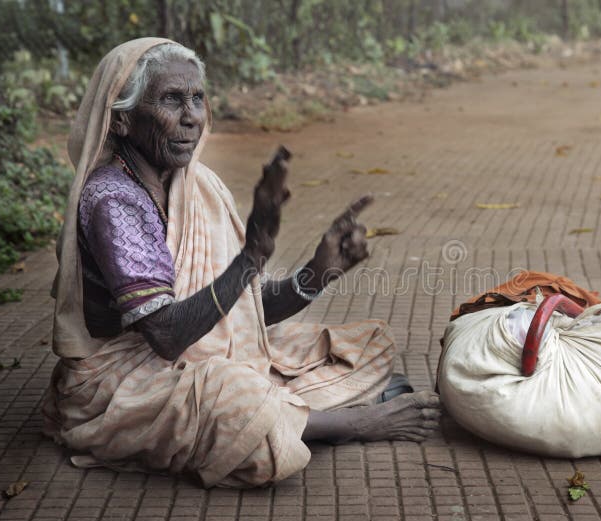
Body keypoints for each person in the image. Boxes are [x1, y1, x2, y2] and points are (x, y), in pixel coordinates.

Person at [44, 37, 440, 488]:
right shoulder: (114, 202)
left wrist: (317, 274)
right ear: (121, 120)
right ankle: (351, 423)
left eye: (197, 98)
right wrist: (250, 257)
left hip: (194, 360)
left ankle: (293, 412)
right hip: (119, 383)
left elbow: (236, 311)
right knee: (235, 398)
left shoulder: (194, 185)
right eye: (172, 99)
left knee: (367, 345)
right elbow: (168, 337)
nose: (192, 116)